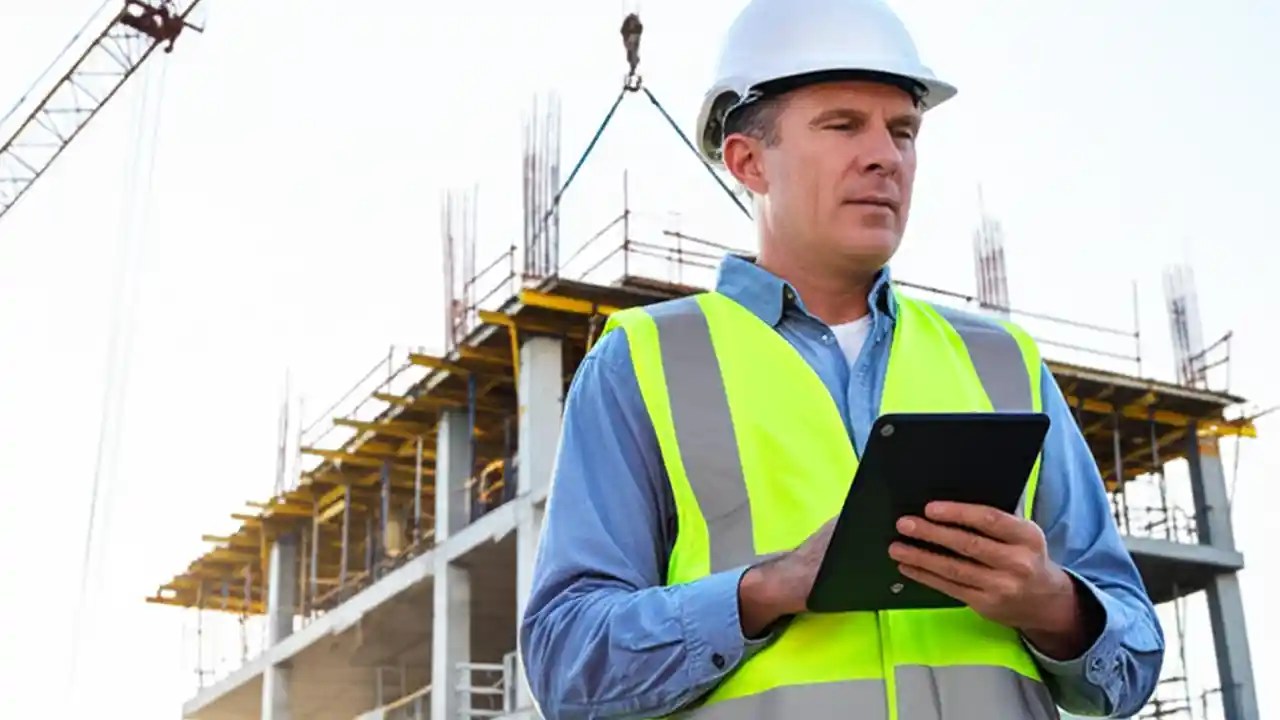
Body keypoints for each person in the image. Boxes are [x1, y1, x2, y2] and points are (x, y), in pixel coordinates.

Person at [519, 0, 1164, 717]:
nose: (885, 155)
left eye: (903, 131)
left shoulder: (1003, 363)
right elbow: (566, 664)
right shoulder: (644, 360)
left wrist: (1053, 603)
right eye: (842, 125)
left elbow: (1131, 659)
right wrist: (767, 589)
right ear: (748, 160)